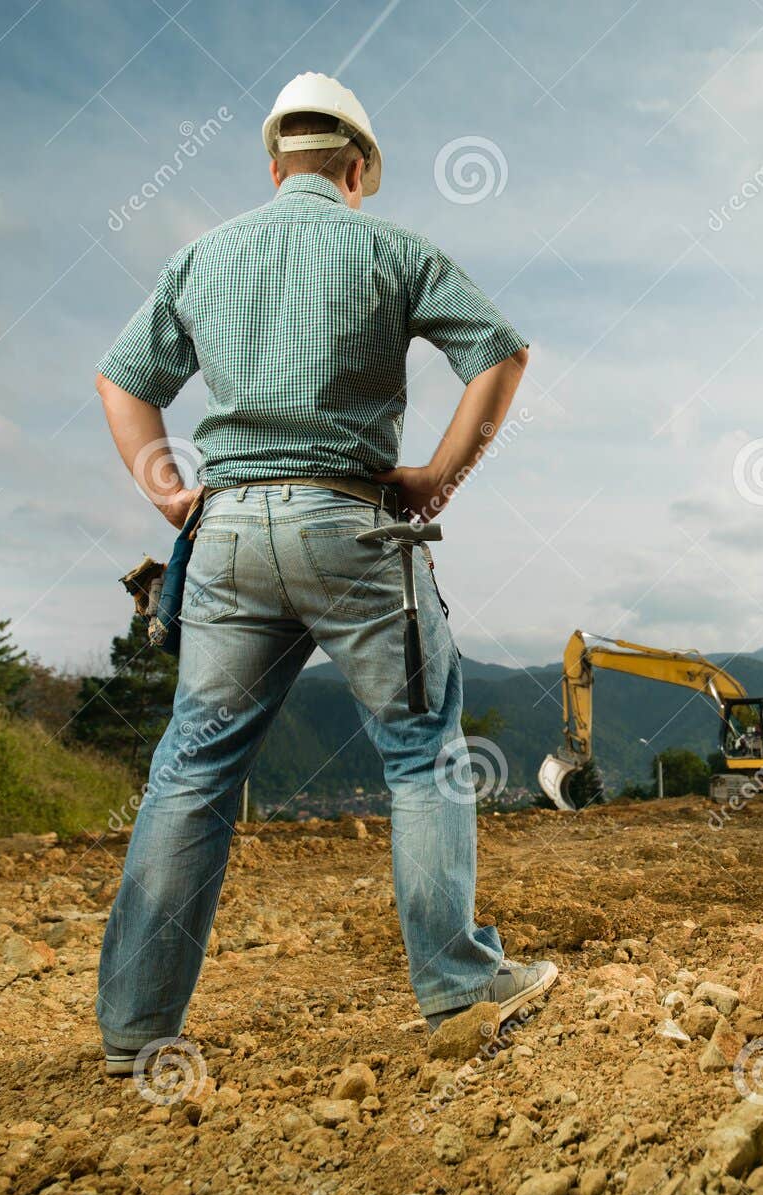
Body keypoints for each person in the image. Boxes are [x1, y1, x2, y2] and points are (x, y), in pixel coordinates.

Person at [91, 71, 553, 1077]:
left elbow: (123, 382)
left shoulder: (202, 257)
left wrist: (168, 490)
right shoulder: (393, 249)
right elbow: (502, 357)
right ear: (355, 169)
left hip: (226, 539)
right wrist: (436, 475)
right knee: (421, 755)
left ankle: (136, 1027)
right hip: (352, 525)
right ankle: (459, 983)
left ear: (274, 165)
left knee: (194, 768)